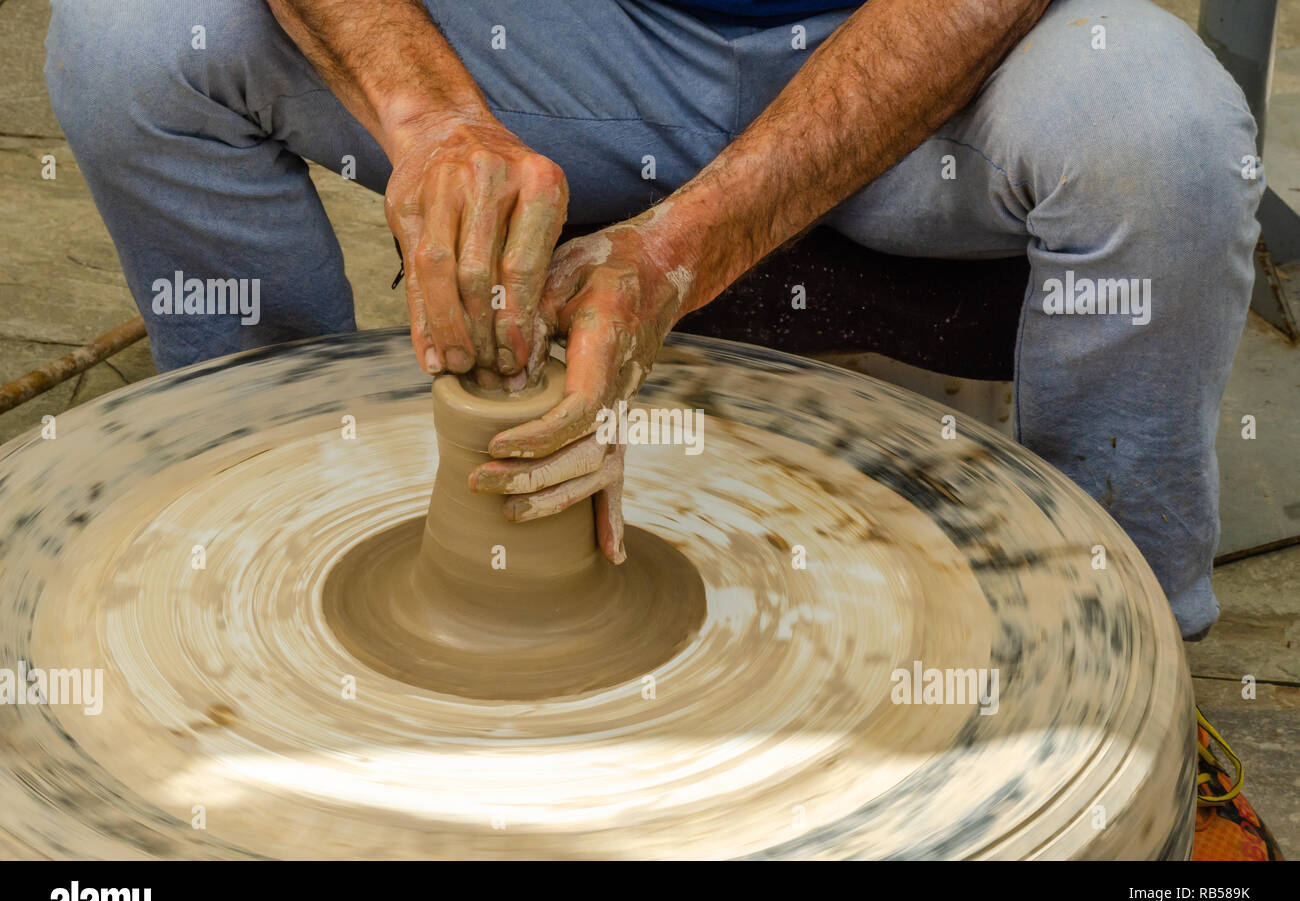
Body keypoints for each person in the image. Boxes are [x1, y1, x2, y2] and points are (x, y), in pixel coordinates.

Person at [46, 0, 1263, 643]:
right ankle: (275, 537)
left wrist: (679, 252)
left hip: (921, 68)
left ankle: (1122, 656)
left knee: (1160, 134)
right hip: (573, 44)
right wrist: (431, 121)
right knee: (137, 32)